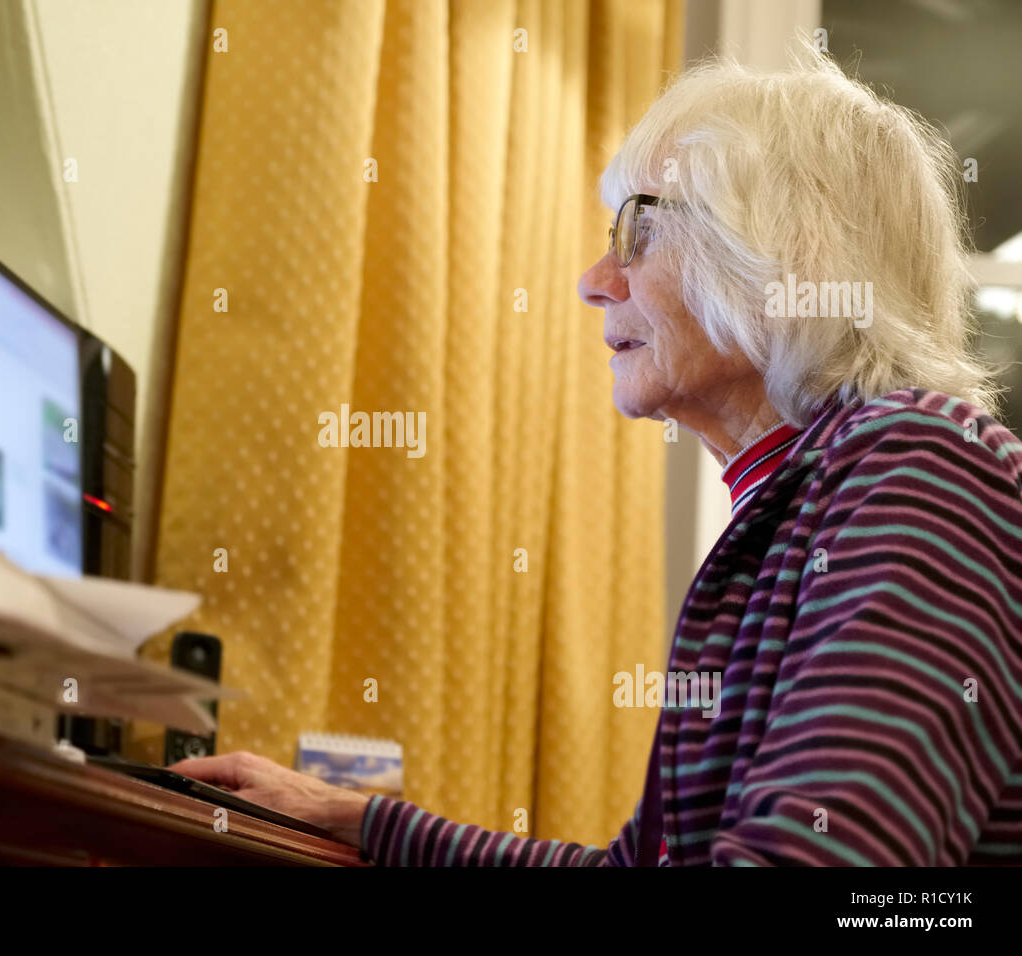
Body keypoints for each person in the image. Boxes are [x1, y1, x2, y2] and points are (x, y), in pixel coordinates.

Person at [171, 50, 1022, 866]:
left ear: (789, 252)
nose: (592, 279)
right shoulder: (816, 492)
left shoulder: (923, 466)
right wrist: (359, 818)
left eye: (638, 230)